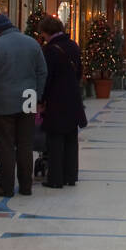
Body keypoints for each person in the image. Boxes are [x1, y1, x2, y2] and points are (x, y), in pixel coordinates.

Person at [0, 12, 47, 197]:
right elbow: (42, 72)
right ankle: (26, 187)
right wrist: (38, 97)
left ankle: (6, 187)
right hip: (28, 100)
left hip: (3, 103)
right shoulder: (32, 44)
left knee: (5, 145)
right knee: (25, 144)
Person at [37, 15, 87, 188]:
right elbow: (79, 70)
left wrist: (41, 99)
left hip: (57, 100)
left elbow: (47, 78)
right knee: (71, 138)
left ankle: (56, 179)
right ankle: (71, 176)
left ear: (46, 32)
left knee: (55, 139)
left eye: (42, 33)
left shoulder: (51, 50)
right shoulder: (73, 45)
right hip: (73, 98)